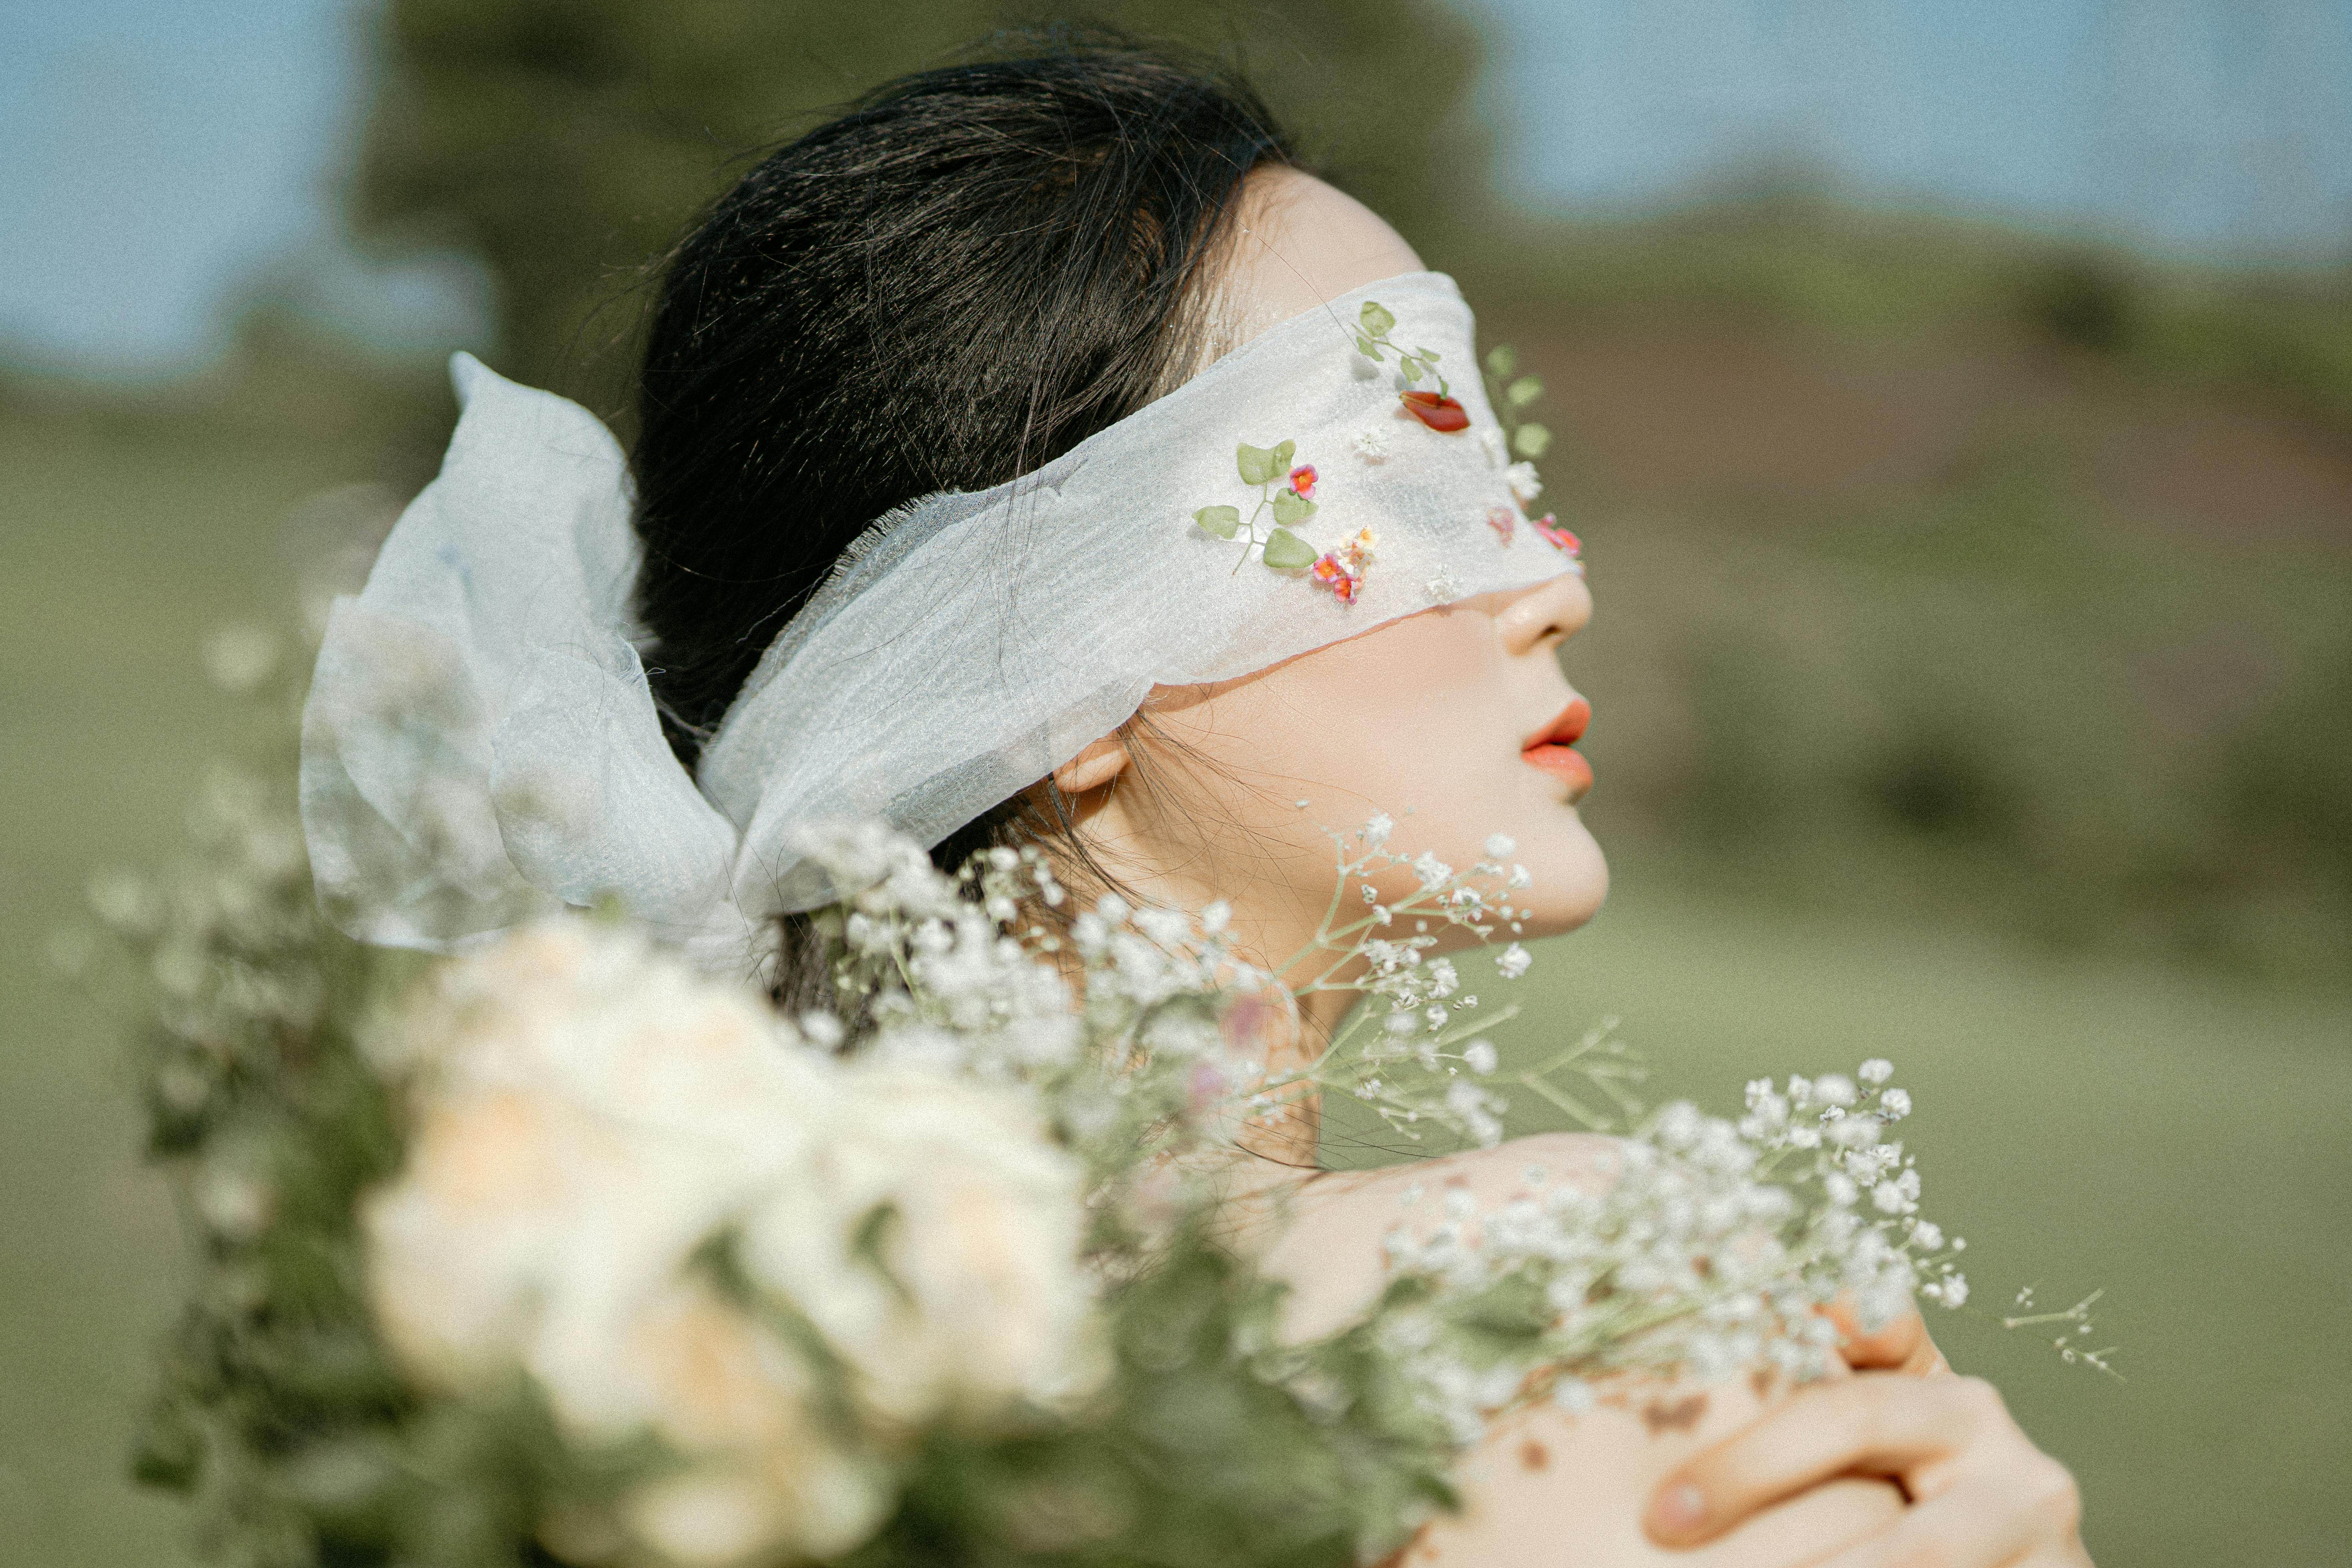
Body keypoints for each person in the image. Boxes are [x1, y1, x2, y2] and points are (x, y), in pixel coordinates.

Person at [319, 37, 2089, 1568]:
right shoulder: (1553, 1303)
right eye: (1416, 483)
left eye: (1508, 475)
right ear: (1049, 672)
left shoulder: (691, 1391)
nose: (1553, 580)